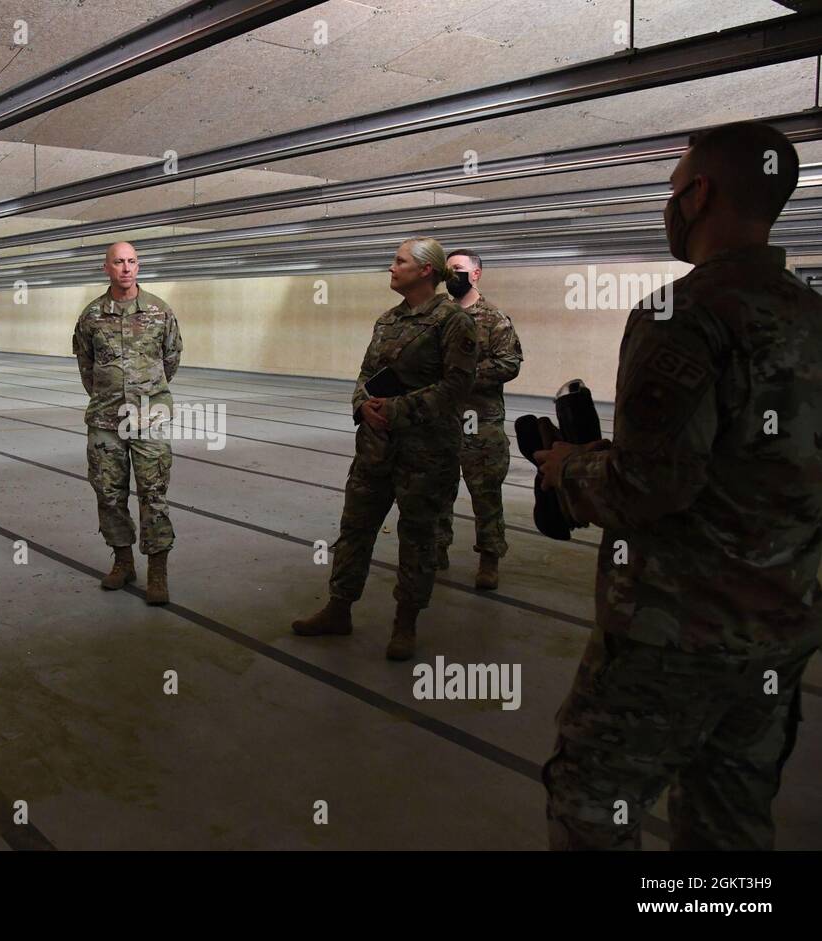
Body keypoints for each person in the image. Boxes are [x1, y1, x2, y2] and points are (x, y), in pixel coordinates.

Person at [537, 121, 822, 849]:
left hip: (673, 632)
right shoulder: (812, 314)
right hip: (780, 628)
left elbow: (649, 485)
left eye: (673, 190)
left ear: (699, 194)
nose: (669, 205)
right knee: (729, 817)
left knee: (592, 804)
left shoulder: (682, 312)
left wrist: (569, 467)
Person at [292, 237, 477, 660]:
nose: (391, 268)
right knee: (355, 530)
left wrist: (395, 409)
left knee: (417, 538)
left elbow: (456, 387)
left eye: (399, 261)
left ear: (426, 270)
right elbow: (365, 373)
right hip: (375, 449)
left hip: (425, 454)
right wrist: (362, 404)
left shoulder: (453, 321)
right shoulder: (388, 320)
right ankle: (339, 609)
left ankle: (405, 623)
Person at [71, 241, 183, 605]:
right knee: (109, 493)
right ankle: (122, 561)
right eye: (118, 262)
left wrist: (148, 394)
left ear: (139, 266)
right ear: (106, 268)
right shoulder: (92, 316)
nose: (126, 268)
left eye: (132, 261)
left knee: (154, 494)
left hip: (149, 417)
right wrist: (109, 396)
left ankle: (158, 570)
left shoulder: (159, 311)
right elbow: (86, 367)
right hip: (106, 418)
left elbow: (171, 357)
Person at [437, 250, 523, 589]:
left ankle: (489, 559)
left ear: (476, 274)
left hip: (480, 421)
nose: (452, 275)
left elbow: (509, 363)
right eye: (448, 270)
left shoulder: (494, 318)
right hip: (441, 420)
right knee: (438, 490)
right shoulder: (438, 316)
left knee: (485, 493)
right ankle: (437, 549)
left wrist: (464, 376)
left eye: (458, 269)